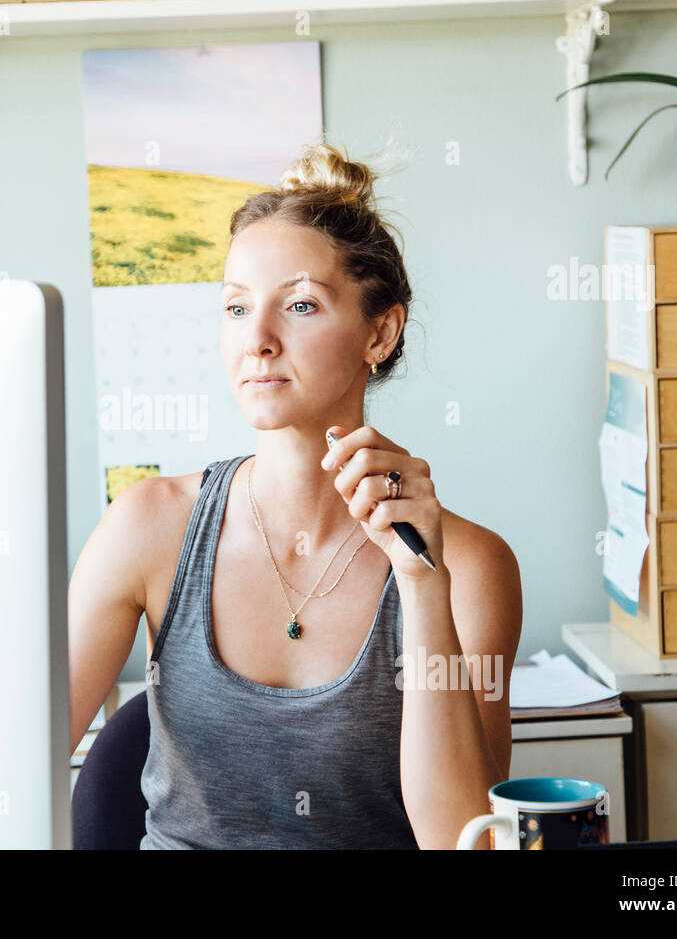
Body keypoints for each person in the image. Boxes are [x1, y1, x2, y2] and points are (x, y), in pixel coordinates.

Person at [68, 138, 522, 849]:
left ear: (381, 331)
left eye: (301, 306)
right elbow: (13, 757)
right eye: (237, 308)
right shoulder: (148, 525)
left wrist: (422, 585)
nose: (260, 340)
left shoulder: (471, 564)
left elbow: (465, 841)